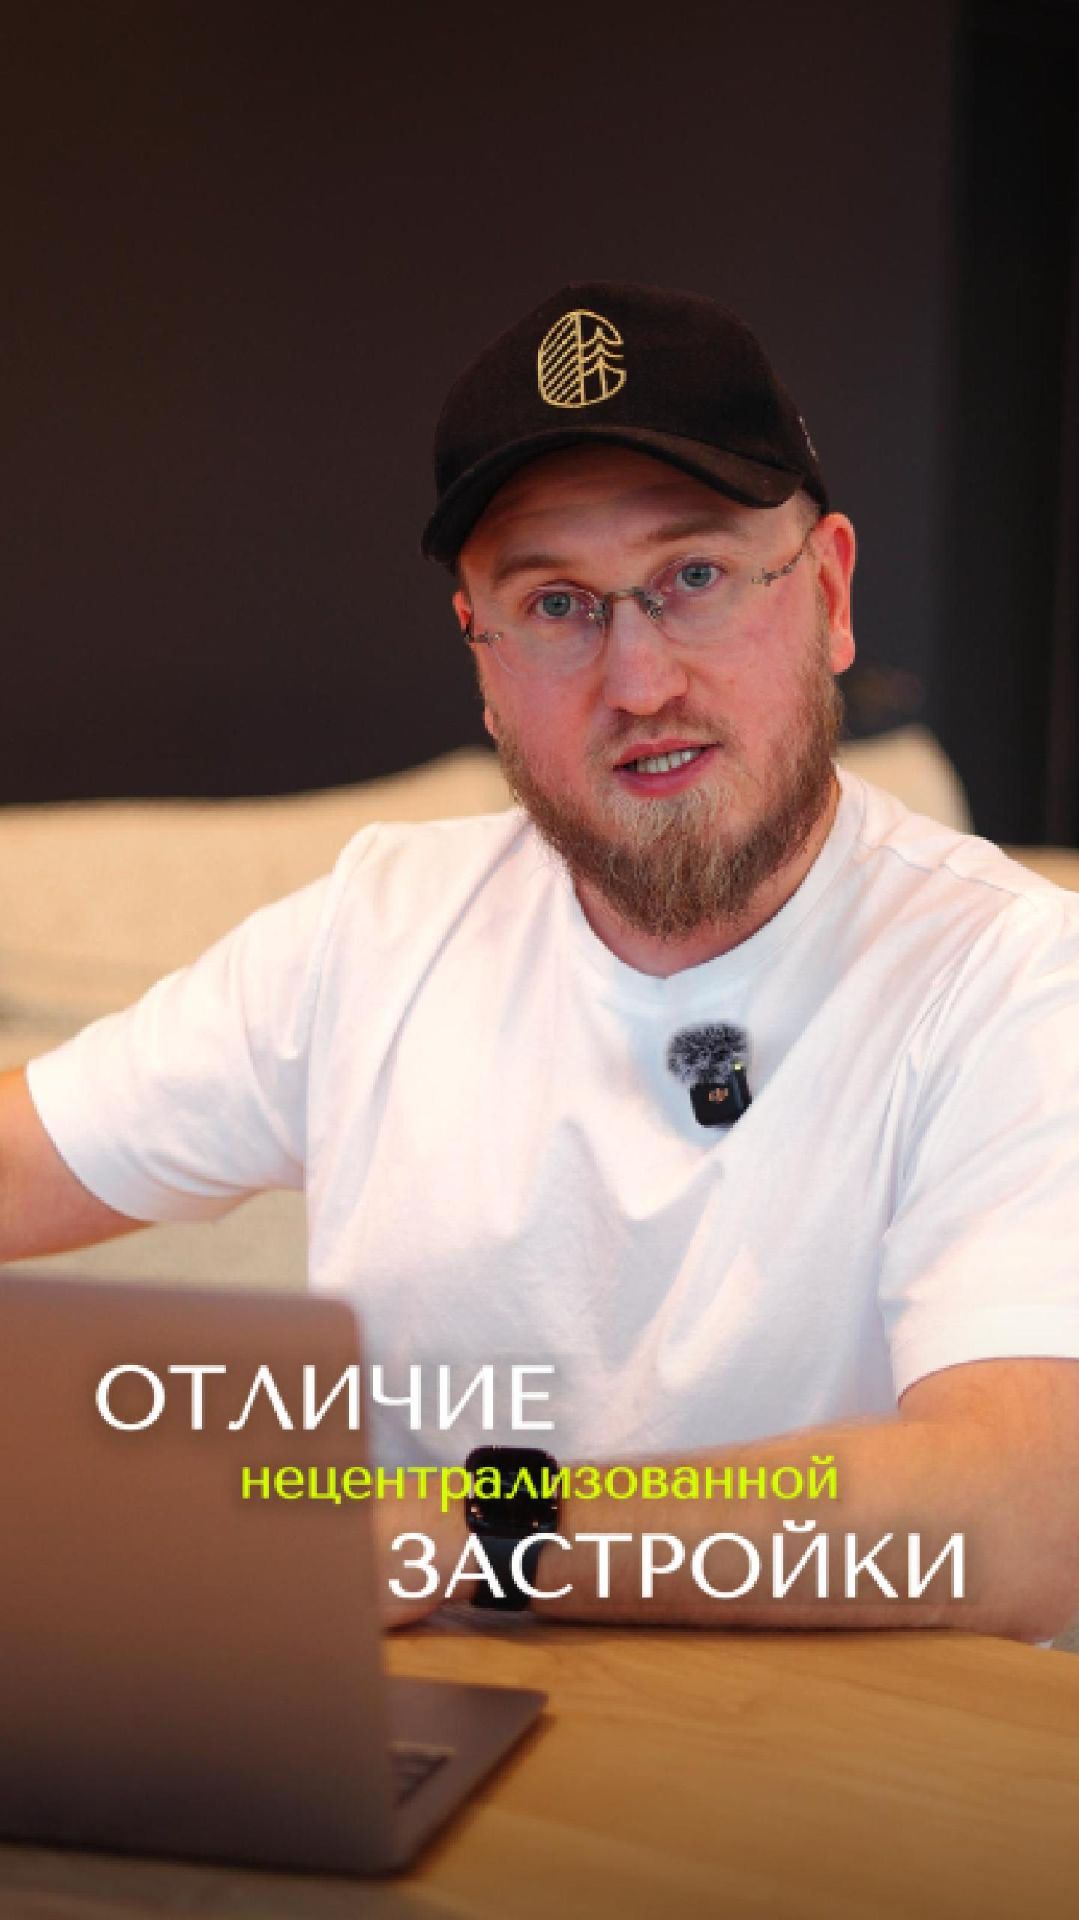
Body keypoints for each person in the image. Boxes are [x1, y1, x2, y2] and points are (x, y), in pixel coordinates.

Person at [1, 282, 1078, 1639]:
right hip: (417, 1731)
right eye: (557, 604)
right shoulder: (376, 930)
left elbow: (1025, 1517)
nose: (639, 683)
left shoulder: (1010, 976)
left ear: (829, 592)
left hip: (828, 1756)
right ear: (481, 654)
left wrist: (478, 1532)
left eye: (694, 578)